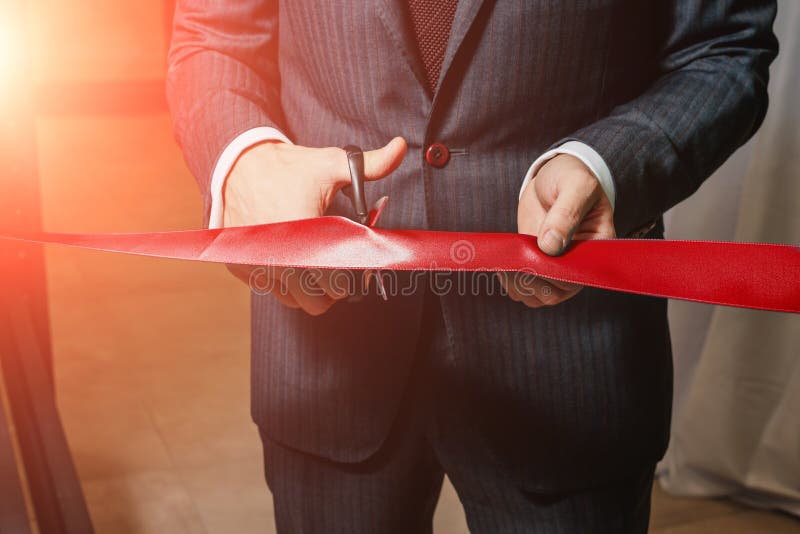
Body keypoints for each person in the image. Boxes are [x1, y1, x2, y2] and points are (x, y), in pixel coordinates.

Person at [166, 1, 778, 532]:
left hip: (568, 370)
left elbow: (722, 49)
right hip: (327, 355)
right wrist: (244, 158)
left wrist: (607, 164)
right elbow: (213, 40)